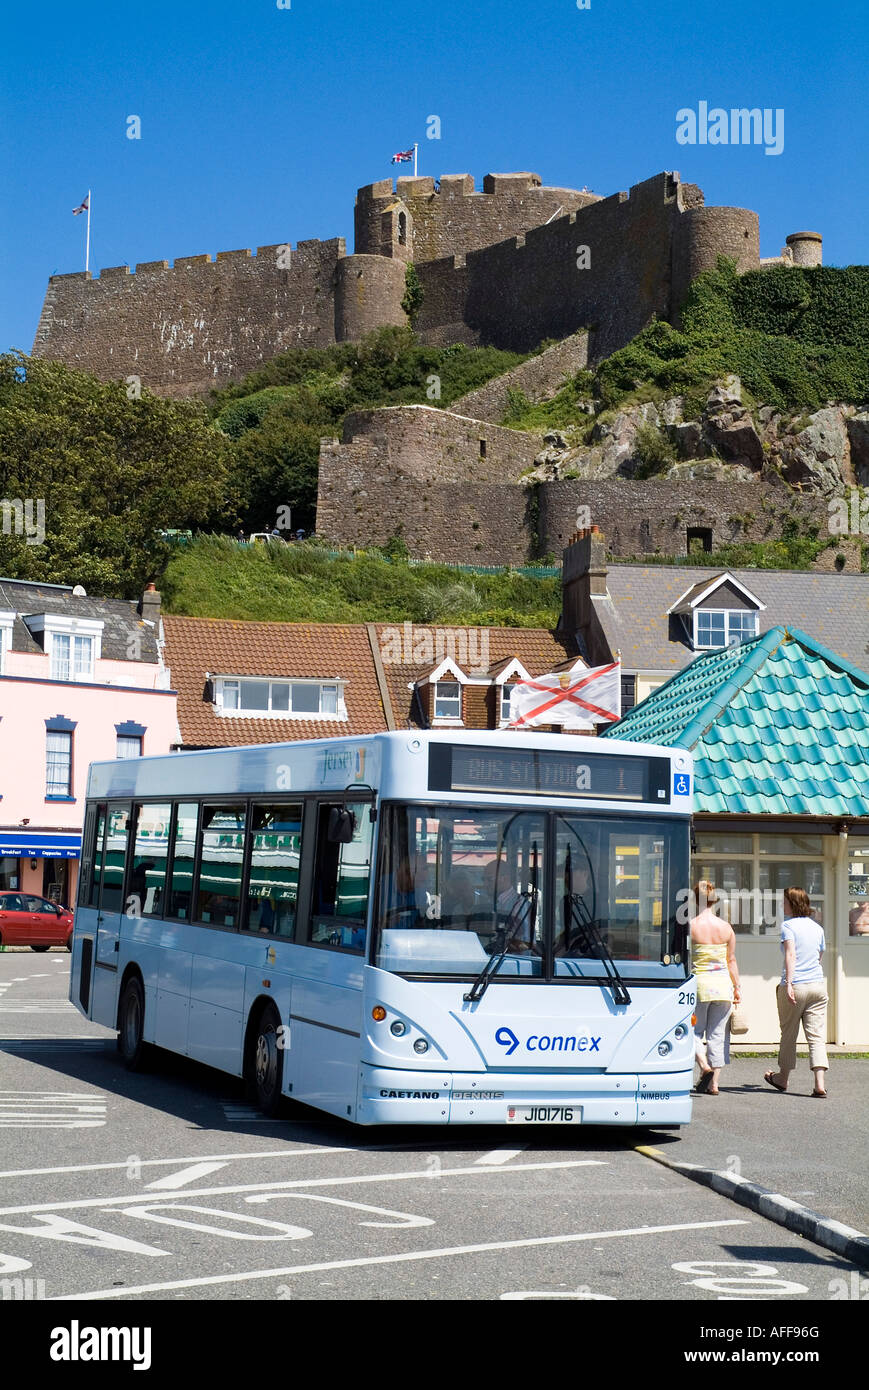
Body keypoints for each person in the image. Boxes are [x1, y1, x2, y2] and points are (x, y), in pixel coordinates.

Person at [764, 887, 828, 1098]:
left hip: (796, 986)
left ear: (792, 903)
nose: (782, 905)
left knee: (789, 1034)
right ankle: (819, 1084)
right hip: (817, 985)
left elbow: (790, 955)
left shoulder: (788, 926)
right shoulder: (818, 928)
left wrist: (789, 983)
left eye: (784, 902)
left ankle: (782, 1078)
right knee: (816, 1036)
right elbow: (819, 957)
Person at [690, 881, 740, 1096]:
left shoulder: (690, 926)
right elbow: (731, 960)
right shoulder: (726, 928)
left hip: (700, 986)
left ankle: (703, 1066)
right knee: (718, 1036)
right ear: (714, 900)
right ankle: (714, 1084)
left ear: (694, 899)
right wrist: (737, 987)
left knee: (692, 1031)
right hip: (723, 986)